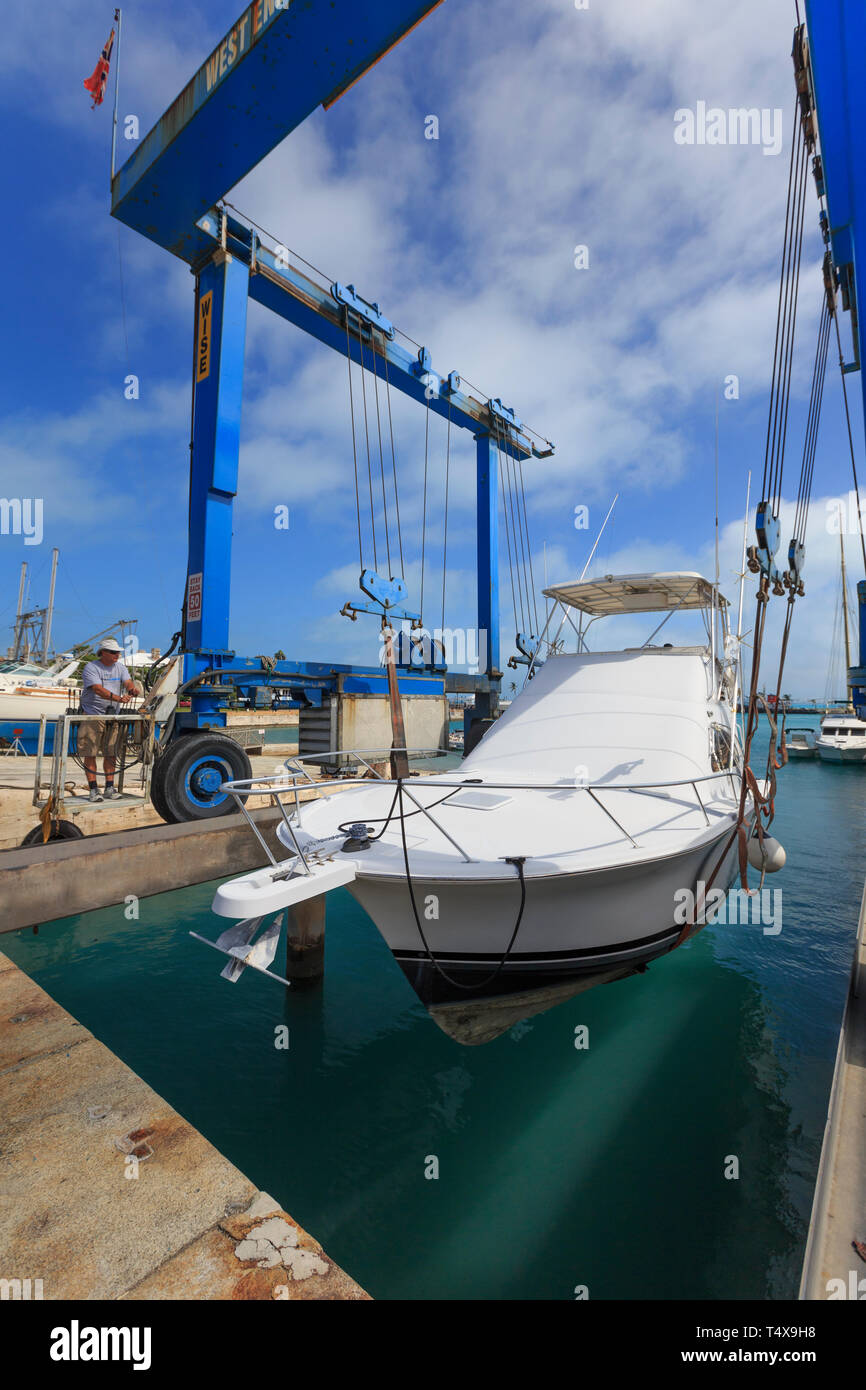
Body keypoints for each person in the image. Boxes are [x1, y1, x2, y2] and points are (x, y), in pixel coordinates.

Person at [79, 639, 138, 801]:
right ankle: (93, 790)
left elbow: (127, 681)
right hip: (93, 714)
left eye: (118, 652)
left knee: (111, 753)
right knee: (90, 752)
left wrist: (132, 689)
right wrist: (119, 698)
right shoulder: (91, 667)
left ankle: (109, 788)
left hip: (113, 717)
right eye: (113, 652)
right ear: (103, 652)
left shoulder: (120, 667)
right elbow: (98, 689)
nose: (117, 655)